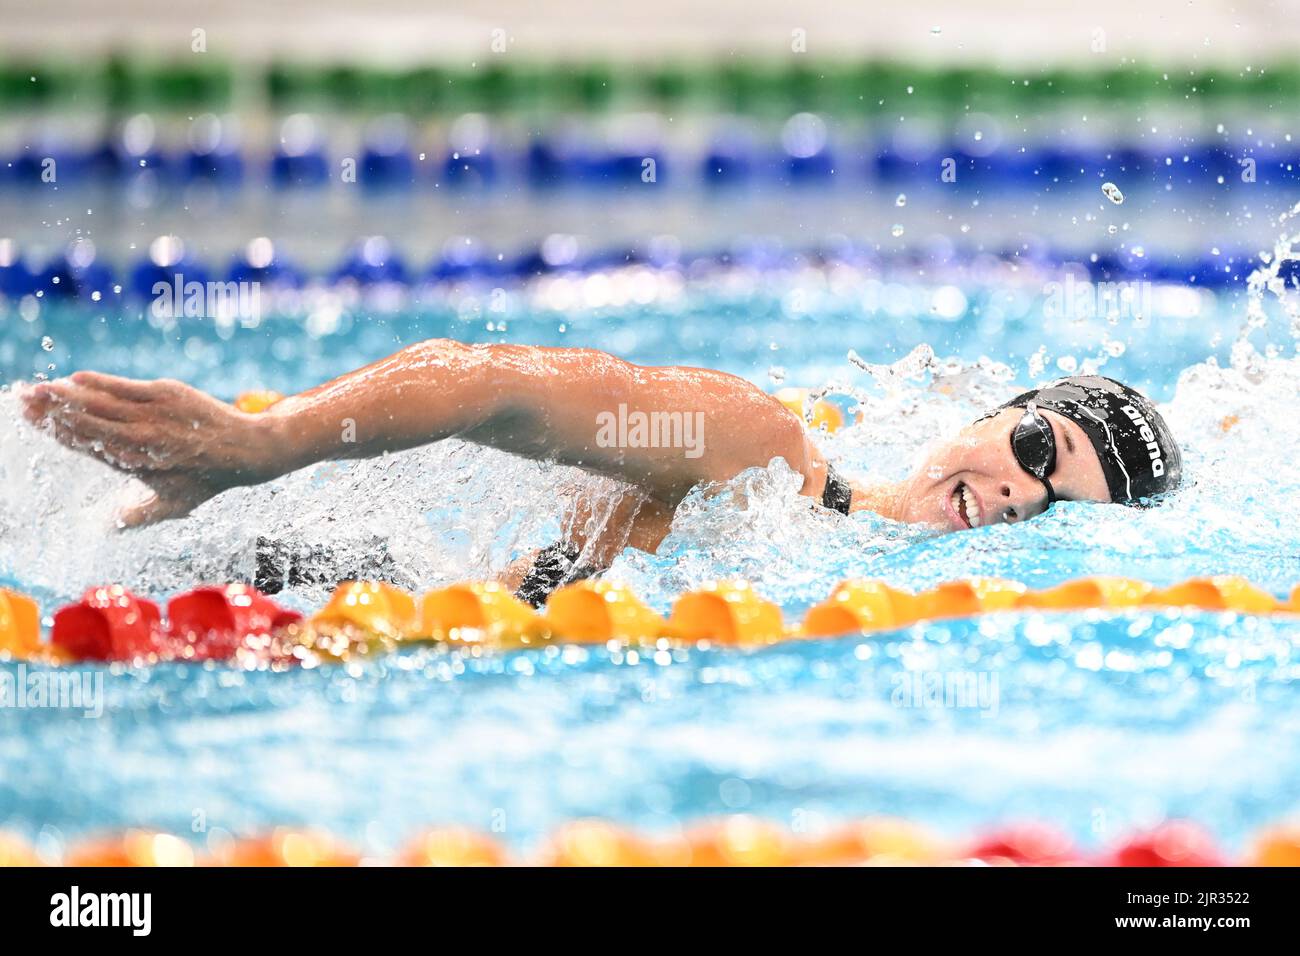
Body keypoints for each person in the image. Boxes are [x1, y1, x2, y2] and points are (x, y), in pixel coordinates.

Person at [18, 339, 1183, 604]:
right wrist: (258, 445)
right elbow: (491, 383)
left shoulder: (874, 598)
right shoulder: (764, 459)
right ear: (996, 410)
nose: (1021, 491)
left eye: (1052, 507)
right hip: (317, 588)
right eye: (1038, 449)